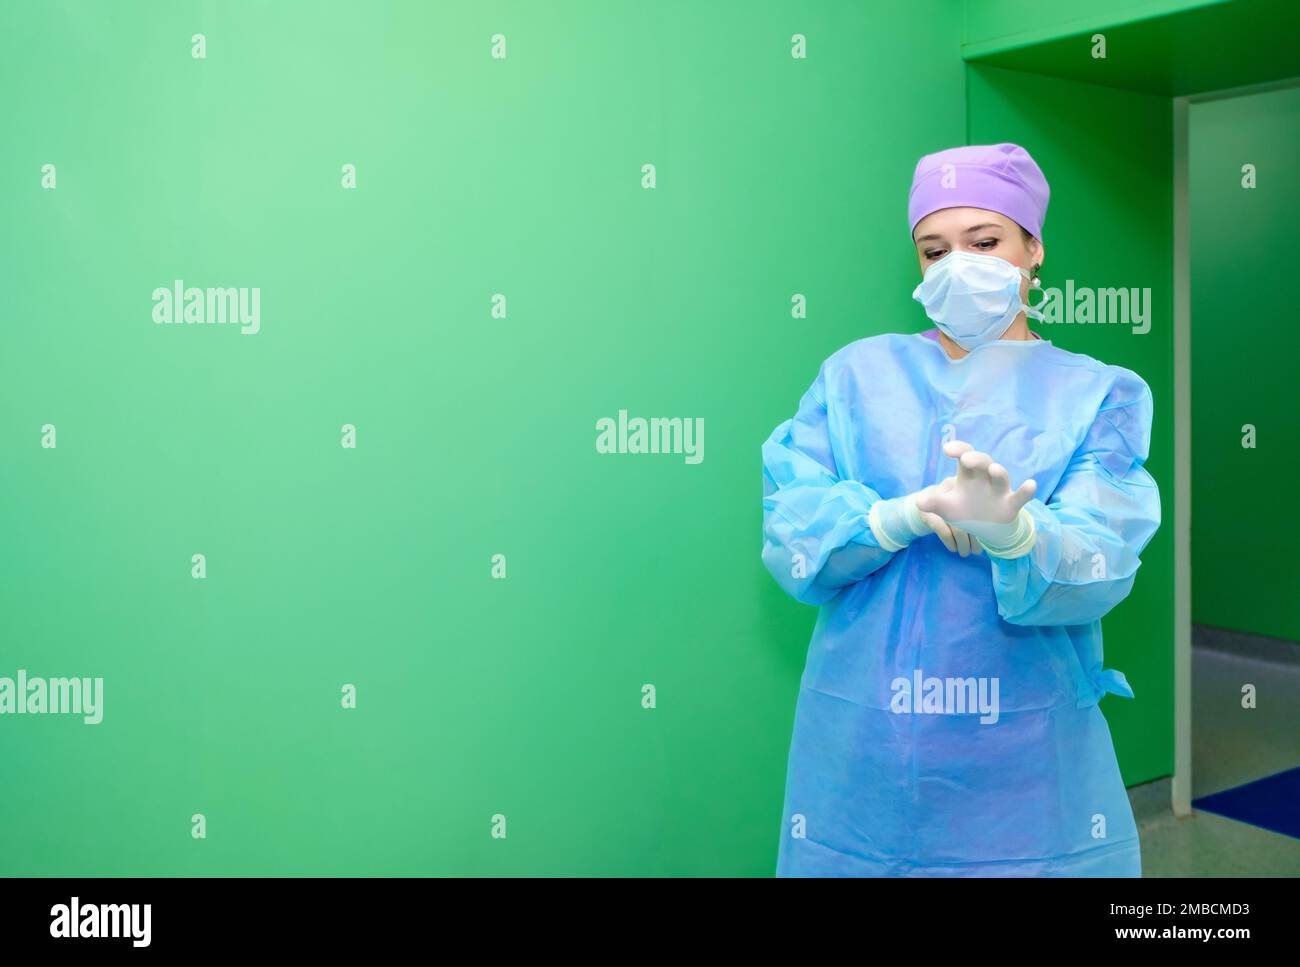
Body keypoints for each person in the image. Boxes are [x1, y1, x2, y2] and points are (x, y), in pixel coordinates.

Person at [760, 142, 1161, 876]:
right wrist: (890, 518)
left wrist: (1019, 536)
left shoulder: (1096, 393)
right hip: (866, 738)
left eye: (985, 241)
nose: (958, 265)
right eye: (933, 249)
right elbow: (792, 524)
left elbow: (1105, 557)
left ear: (1033, 249)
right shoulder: (856, 374)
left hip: (1023, 742)